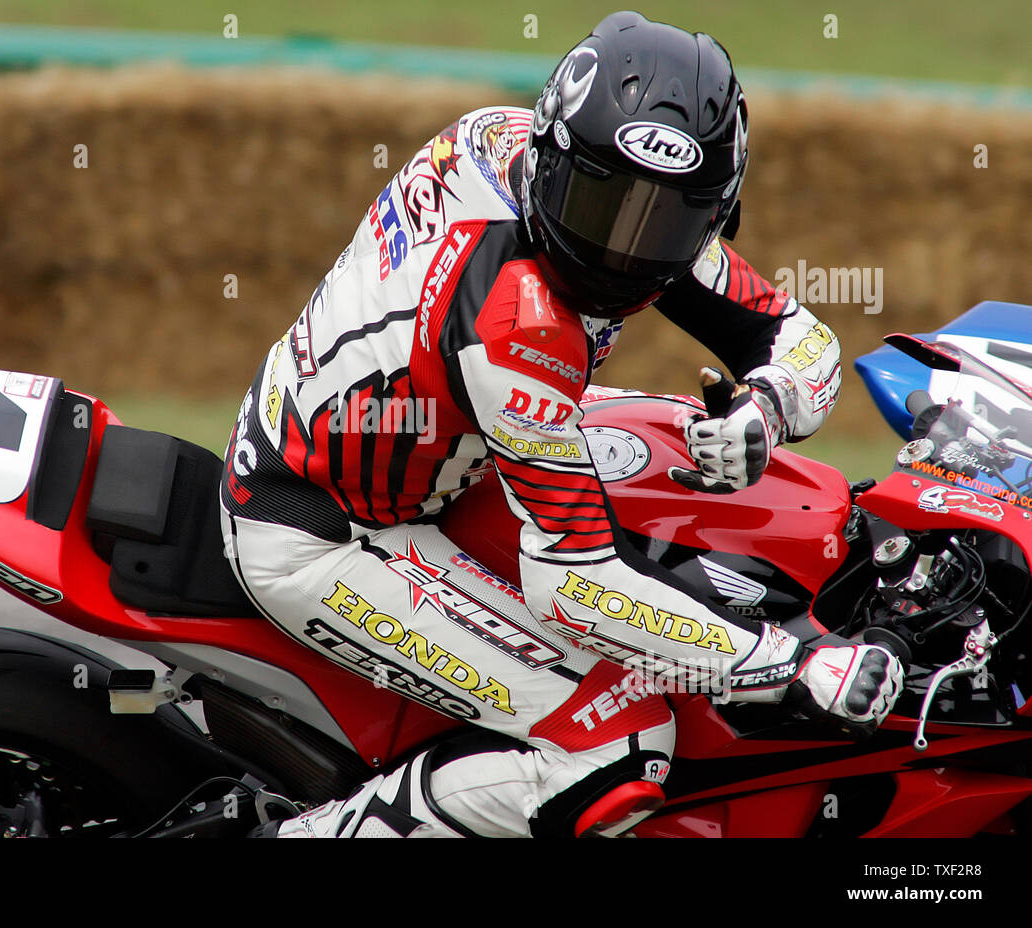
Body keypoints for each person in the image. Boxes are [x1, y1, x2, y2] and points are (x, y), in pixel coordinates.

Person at [219, 10, 902, 838]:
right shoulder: (517, 323)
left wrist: (767, 406)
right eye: (602, 207)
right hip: (324, 525)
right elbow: (573, 583)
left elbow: (798, 338)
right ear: (553, 158)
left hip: (423, 450)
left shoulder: (511, 143)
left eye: (663, 223)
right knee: (621, 741)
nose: (620, 250)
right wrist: (786, 666)